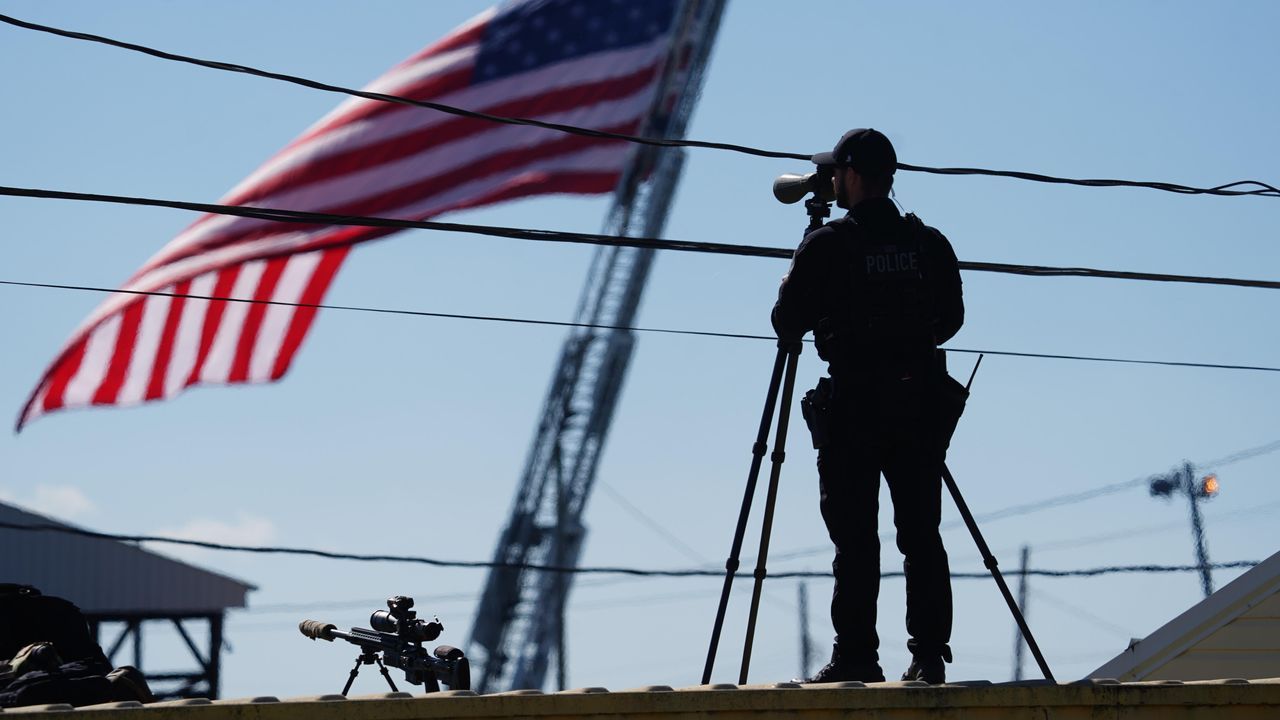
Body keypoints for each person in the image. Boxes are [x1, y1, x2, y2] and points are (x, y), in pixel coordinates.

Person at [772, 128, 964, 685]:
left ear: (850, 175)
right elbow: (951, 321)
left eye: (835, 172)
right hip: (919, 401)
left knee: (856, 539)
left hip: (855, 403)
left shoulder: (831, 244)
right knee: (921, 533)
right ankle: (928, 656)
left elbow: (786, 322)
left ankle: (857, 655)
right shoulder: (928, 243)